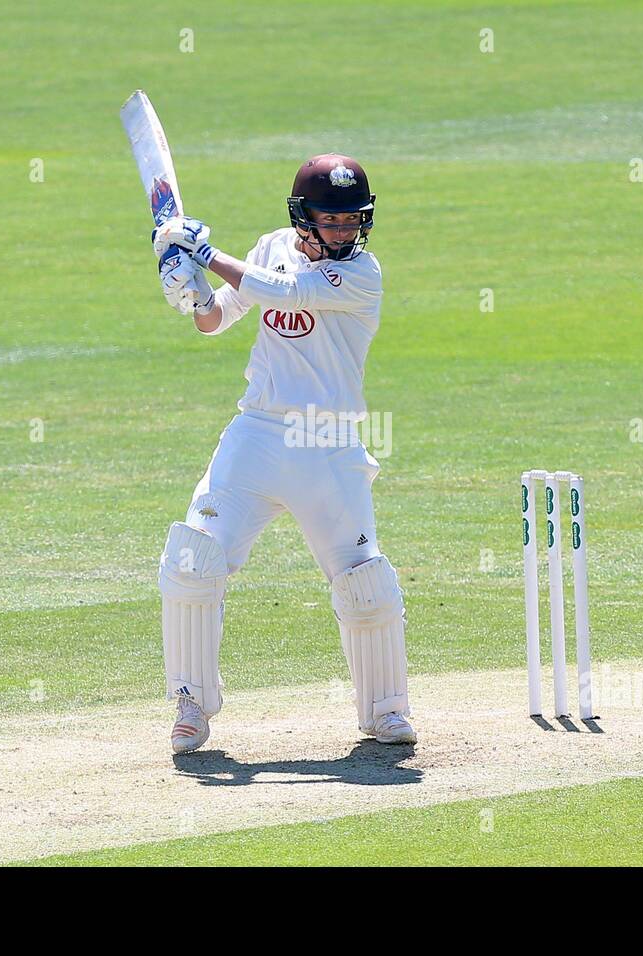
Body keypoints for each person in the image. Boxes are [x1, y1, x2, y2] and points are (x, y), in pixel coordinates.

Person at [151, 154, 415, 754]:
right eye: (332, 221)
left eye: (353, 221)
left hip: (328, 442)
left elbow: (286, 290)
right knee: (195, 559)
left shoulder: (364, 273)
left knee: (364, 581)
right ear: (302, 218)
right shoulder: (270, 247)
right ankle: (191, 704)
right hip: (260, 433)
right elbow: (218, 319)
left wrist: (204, 254)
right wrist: (190, 293)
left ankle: (385, 710)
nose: (344, 233)